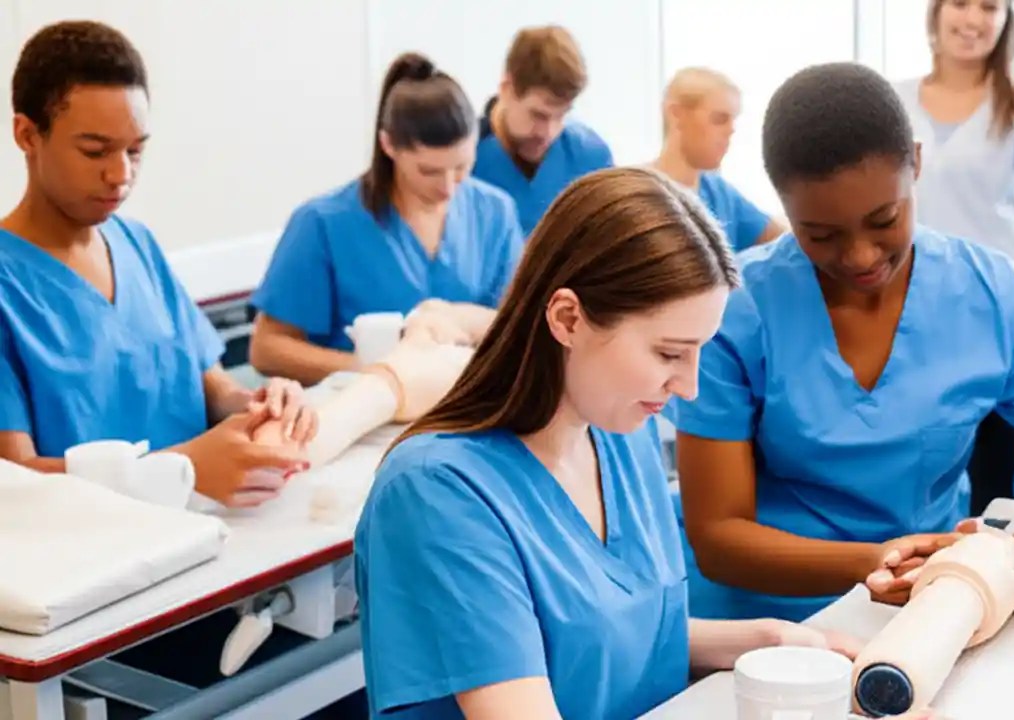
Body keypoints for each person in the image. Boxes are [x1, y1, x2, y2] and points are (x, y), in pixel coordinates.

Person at [355, 168, 863, 720]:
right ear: (568, 318)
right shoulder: (439, 494)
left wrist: (766, 641)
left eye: (699, 353)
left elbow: (600, 635)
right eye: (669, 354)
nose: (688, 386)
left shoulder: (618, 434)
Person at [674, 62, 1014, 625]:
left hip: (927, 615)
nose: (860, 256)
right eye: (820, 234)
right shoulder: (738, 310)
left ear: (917, 164)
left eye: (884, 219)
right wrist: (879, 561)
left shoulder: (991, 297)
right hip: (758, 631)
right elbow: (718, 537)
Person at [0, 20, 315, 509]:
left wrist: (263, 403)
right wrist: (179, 472)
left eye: (135, 150)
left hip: (206, 535)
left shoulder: (138, 246)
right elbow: (16, 481)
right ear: (26, 134)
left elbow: (212, 387)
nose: (120, 175)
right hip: (91, 561)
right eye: (95, 151)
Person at [892, 0, 1014, 515]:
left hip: (994, 312)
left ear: (1005, 19)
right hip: (910, 309)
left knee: (991, 482)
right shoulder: (896, 99)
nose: (973, 19)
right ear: (935, 12)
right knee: (917, 469)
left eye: (989, 7)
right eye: (961, 3)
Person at [249, 52, 524, 386]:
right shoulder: (324, 224)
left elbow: (516, 326)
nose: (448, 187)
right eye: (429, 171)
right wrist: (378, 375)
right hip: (363, 407)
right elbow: (267, 349)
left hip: (464, 407)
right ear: (389, 144)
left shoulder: (495, 212)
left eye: (462, 167)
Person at [472, 26, 613, 235]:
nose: (549, 133)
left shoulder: (591, 160)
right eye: (539, 115)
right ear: (506, 88)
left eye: (561, 115)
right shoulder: (461, 164)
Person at [650, 67, 785, 252]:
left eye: (733, 120)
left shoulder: (719, 193)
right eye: (720, 119)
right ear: (676, 114)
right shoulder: (636, 192)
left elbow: (785, 242)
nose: (731, 131)